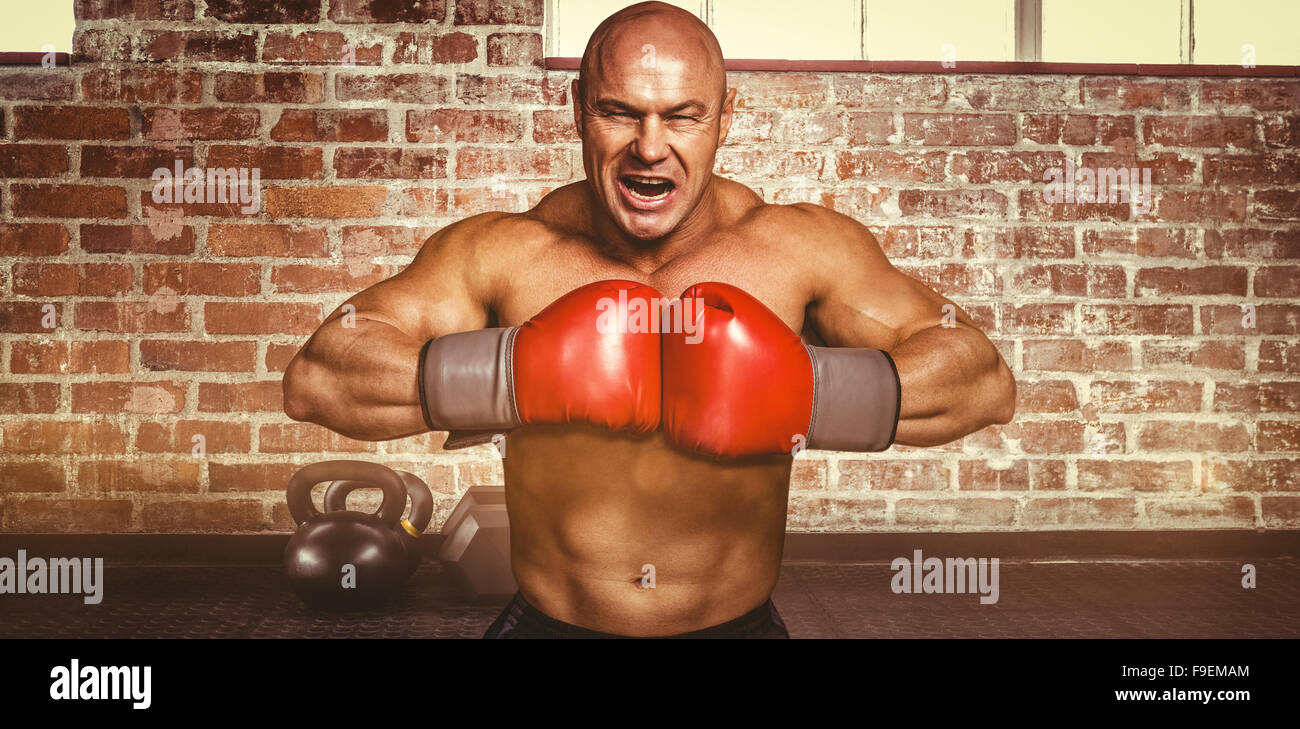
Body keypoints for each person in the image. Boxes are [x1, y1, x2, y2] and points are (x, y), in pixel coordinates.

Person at [282, 1, 1016, 638]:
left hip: (738, 627)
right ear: (577, 109)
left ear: (726, 119)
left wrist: (806, 389)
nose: (650, 147)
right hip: (549, 625)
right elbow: (320, 378)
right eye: (620, 112)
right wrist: (517, 375)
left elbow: (980, 381)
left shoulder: (799, 250)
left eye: (683, 116)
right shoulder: (506, 252)